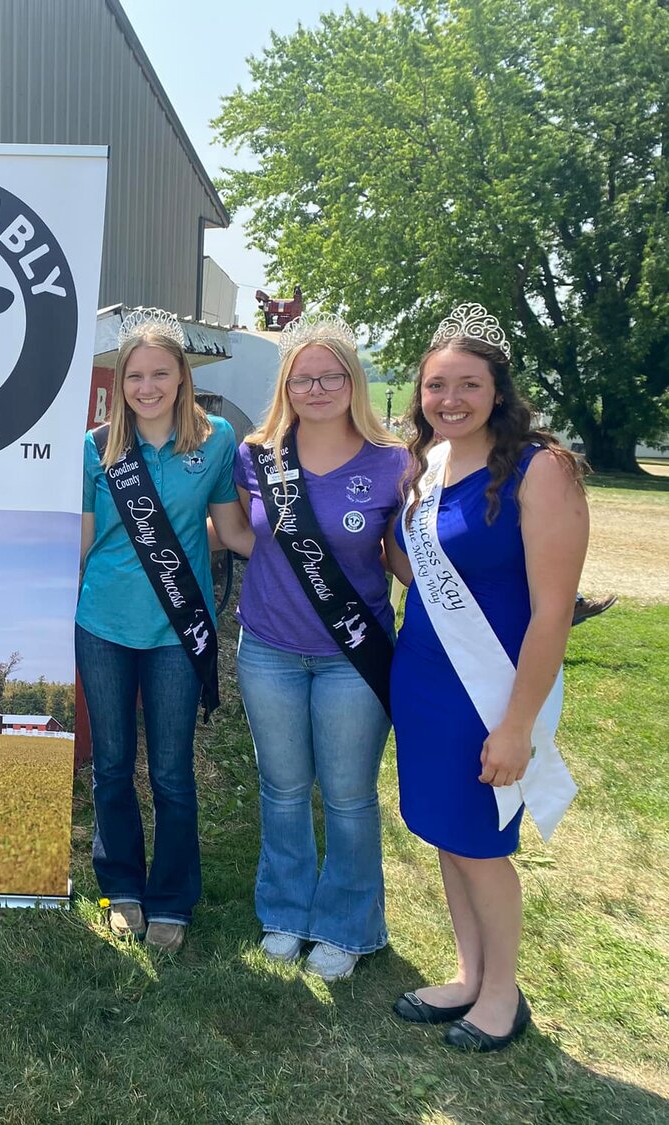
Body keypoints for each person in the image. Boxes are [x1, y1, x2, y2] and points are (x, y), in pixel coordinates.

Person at [387, 303, 588, 1052]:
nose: (450, 400)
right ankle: (470, 973)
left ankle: (503, 995)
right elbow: (422, 571)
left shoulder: (544, 469)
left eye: (467, 384)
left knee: (482, 843)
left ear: (498, 390)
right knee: (446, 832)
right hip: (425, 684)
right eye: (436, 386)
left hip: (492, 693)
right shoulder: (429, 465)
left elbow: (552, 613)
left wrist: (516, 725)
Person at [232, 312, 407, 981]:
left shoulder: (392, 462)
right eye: (304, 377)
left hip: (352, 655)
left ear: (353, 381)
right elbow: (243, 534)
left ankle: (347, 925)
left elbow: (401, 556)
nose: (317, 386)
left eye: (331, 375)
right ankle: (285, 913)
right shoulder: (257, 455)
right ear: (287, 384)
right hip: (269, 647)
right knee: (281, 789)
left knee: (348, 794)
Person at [76, 307, 252, 953]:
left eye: (160, 374)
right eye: (135, 377)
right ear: (120, 383)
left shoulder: (216, 441)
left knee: (174, 771)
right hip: (103, 624)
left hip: (179, 629)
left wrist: (309, 544)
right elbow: (86, 542)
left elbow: (232, 531)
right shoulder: (97, 448)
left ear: (181, 377)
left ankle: (173, 896)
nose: (147, 387)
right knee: (114, 765)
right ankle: (120, 886)